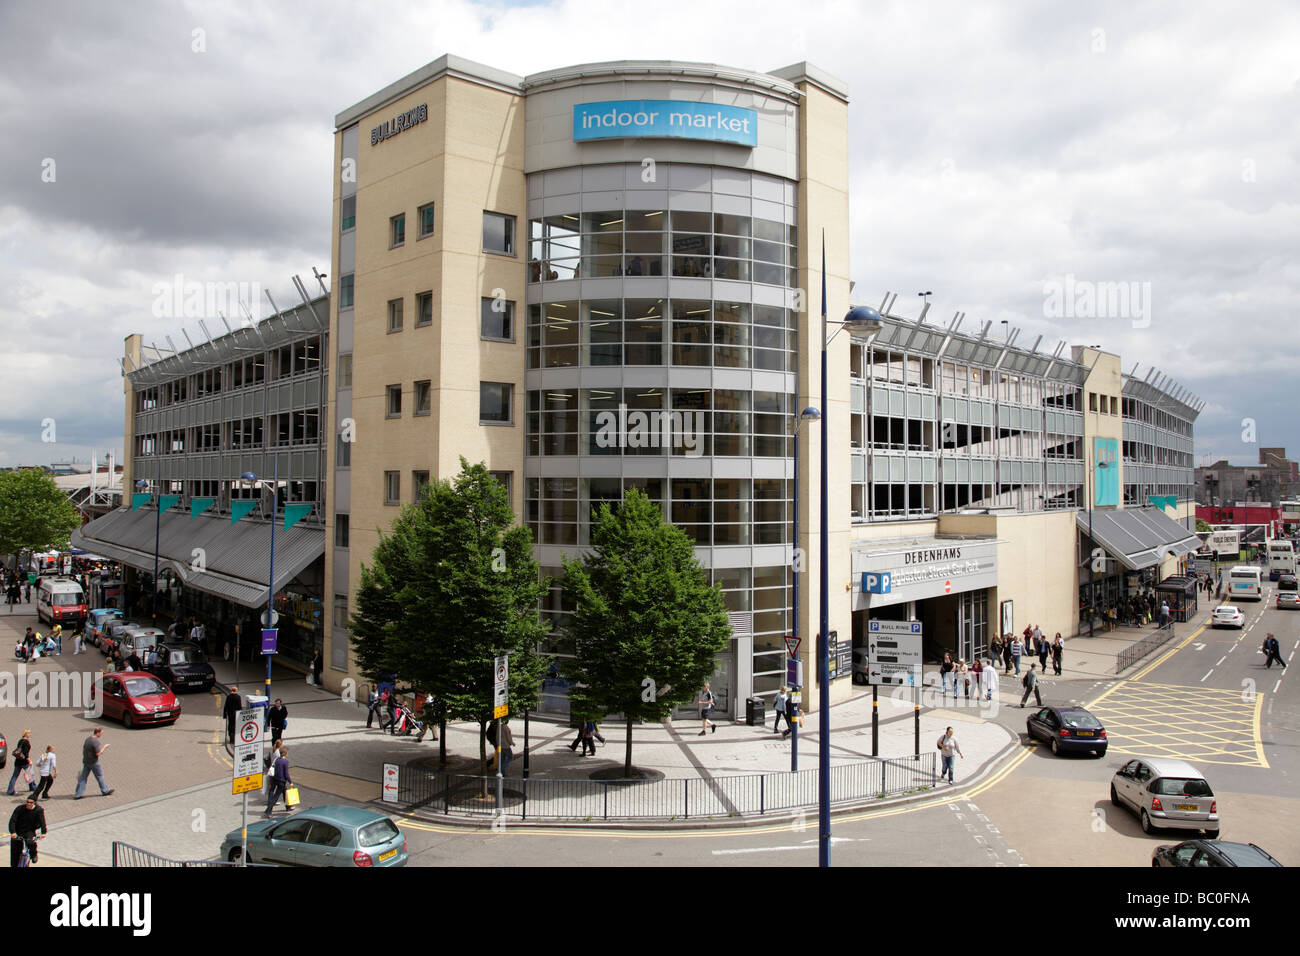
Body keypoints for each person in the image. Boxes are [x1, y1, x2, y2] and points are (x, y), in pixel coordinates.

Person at [73, 727, 114, 799]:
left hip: (86, 762)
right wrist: (105, 747)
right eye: (101, 733)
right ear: (97, 733)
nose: (101, 735)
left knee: (83, 778)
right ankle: (105, 790)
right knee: (99, 776)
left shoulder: (88, 739)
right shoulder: (95, 741)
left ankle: (78, 794)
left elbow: (84, 749)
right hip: (94, 762)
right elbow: (98, 753)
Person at [9, 796, 46, 867]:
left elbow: (42, 822)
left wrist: (43, 833)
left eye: (31, 802)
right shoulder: (20, 808)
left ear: (34, 803)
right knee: (15, 851)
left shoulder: (38, 810)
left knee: (30, 842)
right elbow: (12, 821)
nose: (28, 804)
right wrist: (13, 832)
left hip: (29, 831)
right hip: (18, 830)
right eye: (27, 802)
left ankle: (33, 855)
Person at [264, 745, 292, 818]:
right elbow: (286, 773)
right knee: (276, 796)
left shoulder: (276, 760)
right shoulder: (285, 761)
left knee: (285, 792)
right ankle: (268, 811)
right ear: (285, 753)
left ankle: (288, 806)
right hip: (281, 781)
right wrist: (290, 782)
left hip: (274, 779)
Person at [6, 730, 35, 796]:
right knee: (30, 774)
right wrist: (29, 761)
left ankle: (10, 790)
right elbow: (26, 753)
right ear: (26, 734)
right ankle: (32, 787)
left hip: (18, 761)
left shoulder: (20, 741)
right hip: (24, 762)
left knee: (14, 776)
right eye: (29, 733)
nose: (29, 735)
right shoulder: (26, 742)